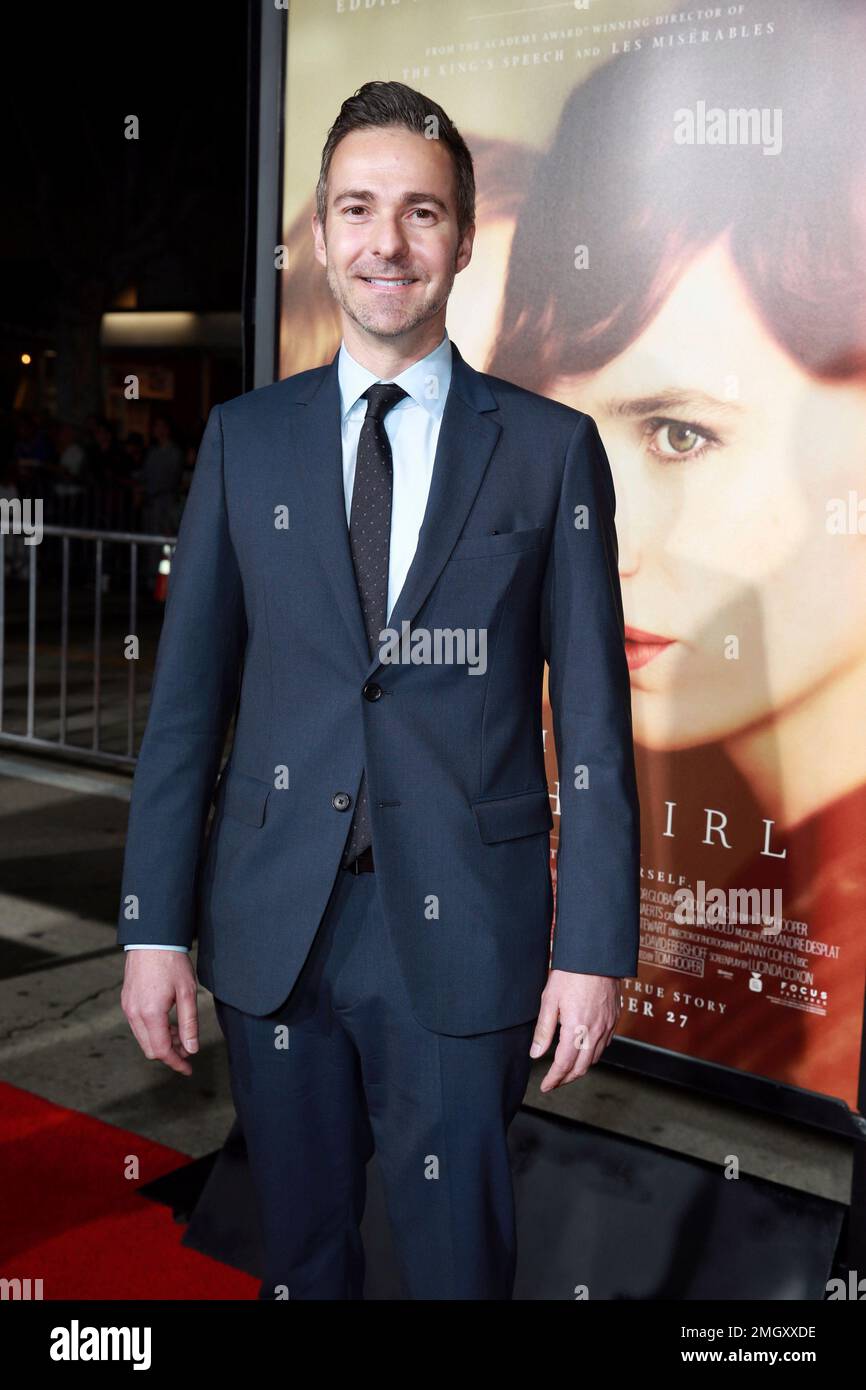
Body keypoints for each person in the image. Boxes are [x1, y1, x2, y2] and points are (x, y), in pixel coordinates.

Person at [117, 79, 640, 1300]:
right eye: (357, 208)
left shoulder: (549, 447)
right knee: (297, 1253)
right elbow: (186, 707)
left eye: (419, 212)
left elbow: (598, 734)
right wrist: (151, 921)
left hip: (466, 926)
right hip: (272, 923)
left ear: (461, 237)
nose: (385, 243)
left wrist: (593, 946)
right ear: (317, 230)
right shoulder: (247, 442)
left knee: (460, 1261)